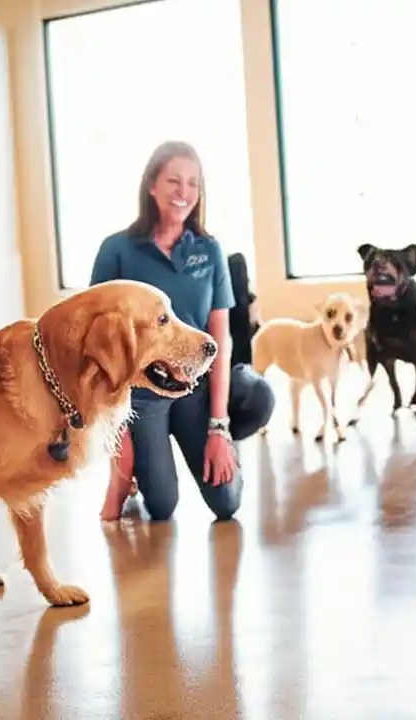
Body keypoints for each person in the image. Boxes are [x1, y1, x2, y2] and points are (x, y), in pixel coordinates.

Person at [91, 140, 275, 522]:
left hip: (197, 390)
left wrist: (219, 428)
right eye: (173, 181)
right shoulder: (117, 251)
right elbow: (95, 346)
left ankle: (215, 441)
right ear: (151, 186)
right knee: (161, 507)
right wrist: (117, 437)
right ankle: (145, 464)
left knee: (227, 503)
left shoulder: (209, 251)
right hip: (142, 397)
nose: (183, 192)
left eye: (193, 183)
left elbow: (221, 341)